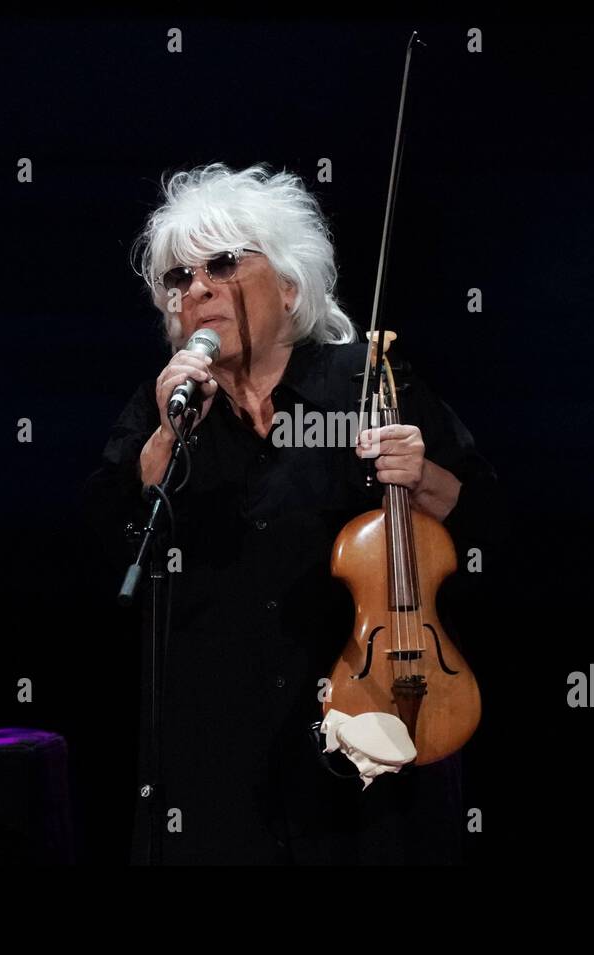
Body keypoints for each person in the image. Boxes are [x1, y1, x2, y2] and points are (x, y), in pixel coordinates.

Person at [85, 163, 499, 864]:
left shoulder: (369, 380)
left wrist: (421, 476)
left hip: (362, 750)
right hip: (214, 768)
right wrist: (162, 437)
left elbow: (490, 519)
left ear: (288, 284)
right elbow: (103, 547)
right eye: (178, 280)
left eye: (221, 263)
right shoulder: (167, 406)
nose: (198, 288)